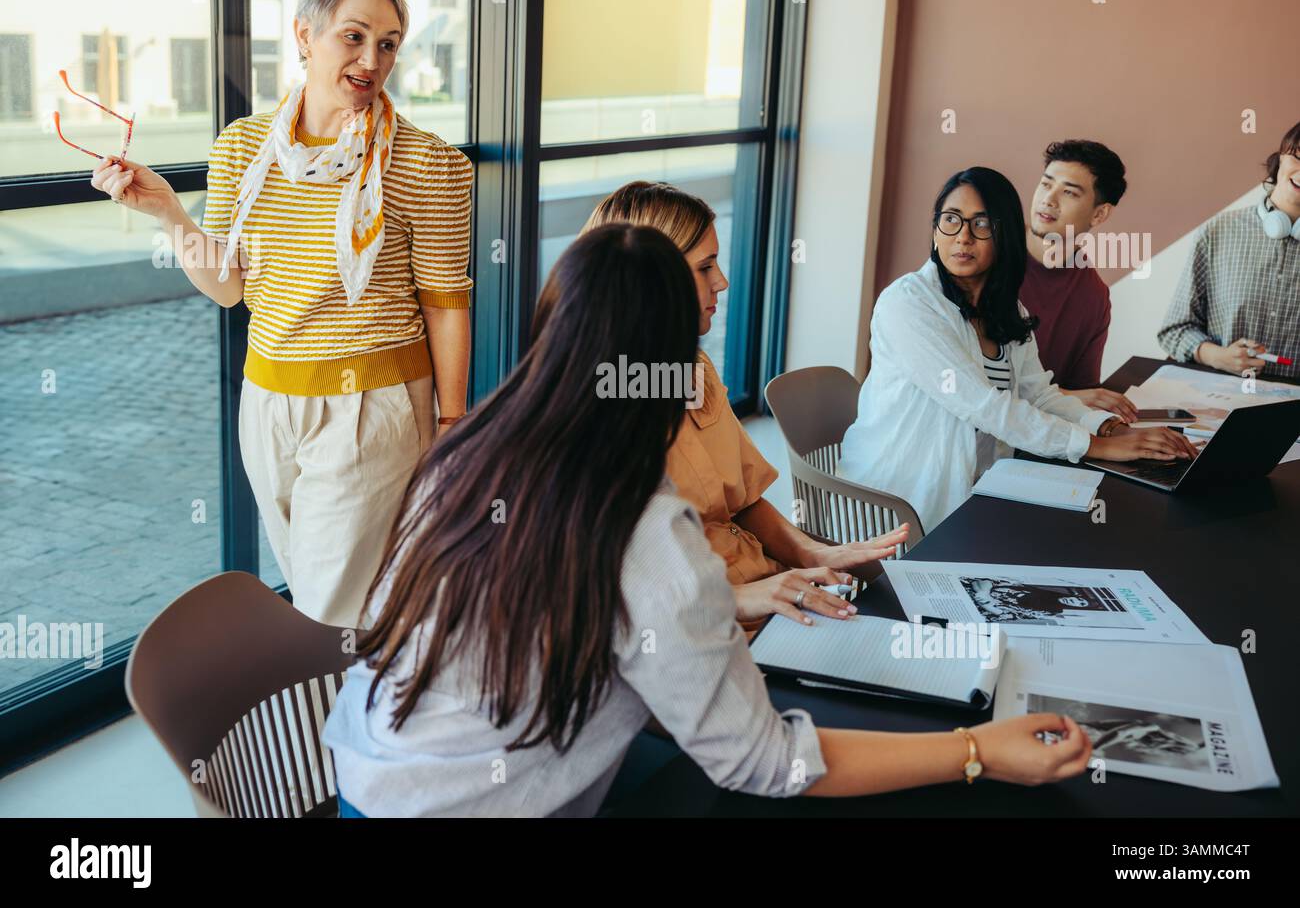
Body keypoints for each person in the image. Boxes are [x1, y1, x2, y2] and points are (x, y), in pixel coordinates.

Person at [322, 223, 1094, 817]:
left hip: (376, 779)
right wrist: (974, 751)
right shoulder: (641, 523)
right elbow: (763, 762)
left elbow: (571, 620)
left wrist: (732, 601)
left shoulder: (468, 454)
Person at [89, 0, 473, 627]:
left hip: (371, 409)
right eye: (353, 37)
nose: (371, 59)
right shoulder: (242, 149)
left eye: (387, 44)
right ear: (304, 34)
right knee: (326, 595)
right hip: (267, 405)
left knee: (329, 614)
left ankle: (333, 730)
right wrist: (170, 216)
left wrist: (453, 423)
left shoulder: (426, 162)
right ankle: (380, 708)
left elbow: (446, 303)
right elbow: (230, 287)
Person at [582, 182, 908, 628]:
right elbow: (615, 590)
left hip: (769, 590)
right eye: (705, 267)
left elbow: (745, 503)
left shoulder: (694, 369)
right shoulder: (596, 407)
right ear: (649, 276)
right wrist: (738, 596)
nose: (723, 282)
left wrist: (813, 551)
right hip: (704, 626)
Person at [837, 167, 1198, 532]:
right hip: (895, 504)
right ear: (934, 231)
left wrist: (1107, 428)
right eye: (951, 220)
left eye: (981, 224)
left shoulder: (1009, 310)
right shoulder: (907, 303)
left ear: (1005, 235)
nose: (963, 237)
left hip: (974, 492)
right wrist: (1094, 446)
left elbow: (1037, 394)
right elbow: (982, 405)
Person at [1158, 120, 1300, 380]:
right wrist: (1217, 357)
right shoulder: (1219, 231)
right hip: (1220, 400)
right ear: (1280, 159)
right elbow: (1174, 330)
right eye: (1298, 157)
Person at [1022, 139, 1137, 421]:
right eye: (1046, 184)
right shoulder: (983, 255)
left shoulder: (1093, 297)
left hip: (1033, 445)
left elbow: (1084, 398)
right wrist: (1065, 396)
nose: (1049, 199)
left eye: (1069, 193)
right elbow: (965, 383)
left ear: (1099, 214)